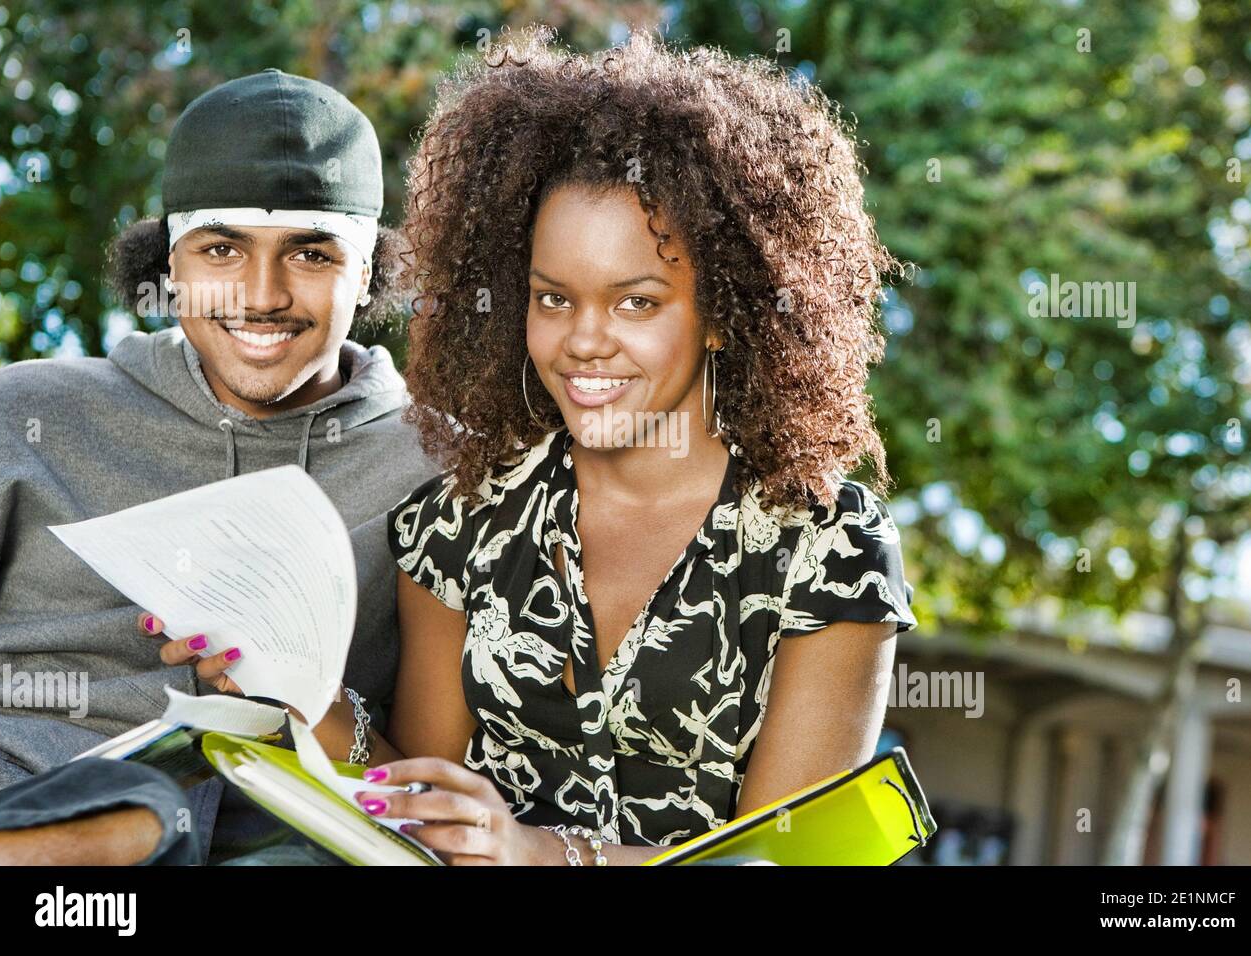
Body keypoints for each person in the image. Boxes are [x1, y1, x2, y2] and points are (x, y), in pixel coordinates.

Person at [336, 29, 919, 865]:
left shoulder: (827, 548)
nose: (584, 341)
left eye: (637, 303)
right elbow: (418, 812)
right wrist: (301, 702)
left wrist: (544, 854)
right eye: (553, 298)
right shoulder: (457, 524)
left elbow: (788, 862)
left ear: (724, 310)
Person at [0, 69, 436, 864]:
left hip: (279, 839)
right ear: (171, 263)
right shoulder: (27, 412)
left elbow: (430, 788)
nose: (261, 296)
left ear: (367, 273)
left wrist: (316, 706)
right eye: (221, 248)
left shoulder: (437, 466)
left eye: (311, 252)